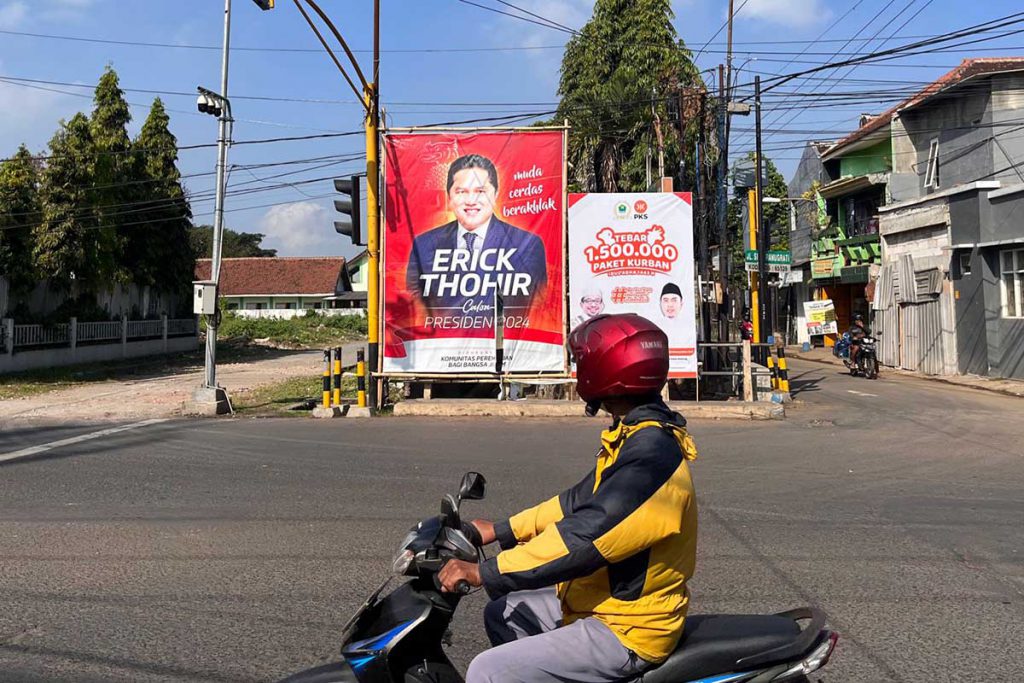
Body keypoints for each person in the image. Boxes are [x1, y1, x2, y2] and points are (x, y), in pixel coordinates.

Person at [438, 313, 699, 683]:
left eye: (584, 363)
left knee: (488, 671)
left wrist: (486, 571)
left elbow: (585, 538)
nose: (580, 372)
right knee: (503, 612)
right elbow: (573, 503)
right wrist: (498, 531)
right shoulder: (636, 437)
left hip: (629, 628)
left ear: (606, 371)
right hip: (600, 603)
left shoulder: (651, 458)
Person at [406, 154, 547, 315]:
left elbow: (537, 304)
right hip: (442, 337)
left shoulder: (526, 244)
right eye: (461, 191)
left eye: (480, 191)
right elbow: (413, 300)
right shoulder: (424, 245)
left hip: (500, 337)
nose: (471, 200)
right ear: (449, 196)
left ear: (495, 194)